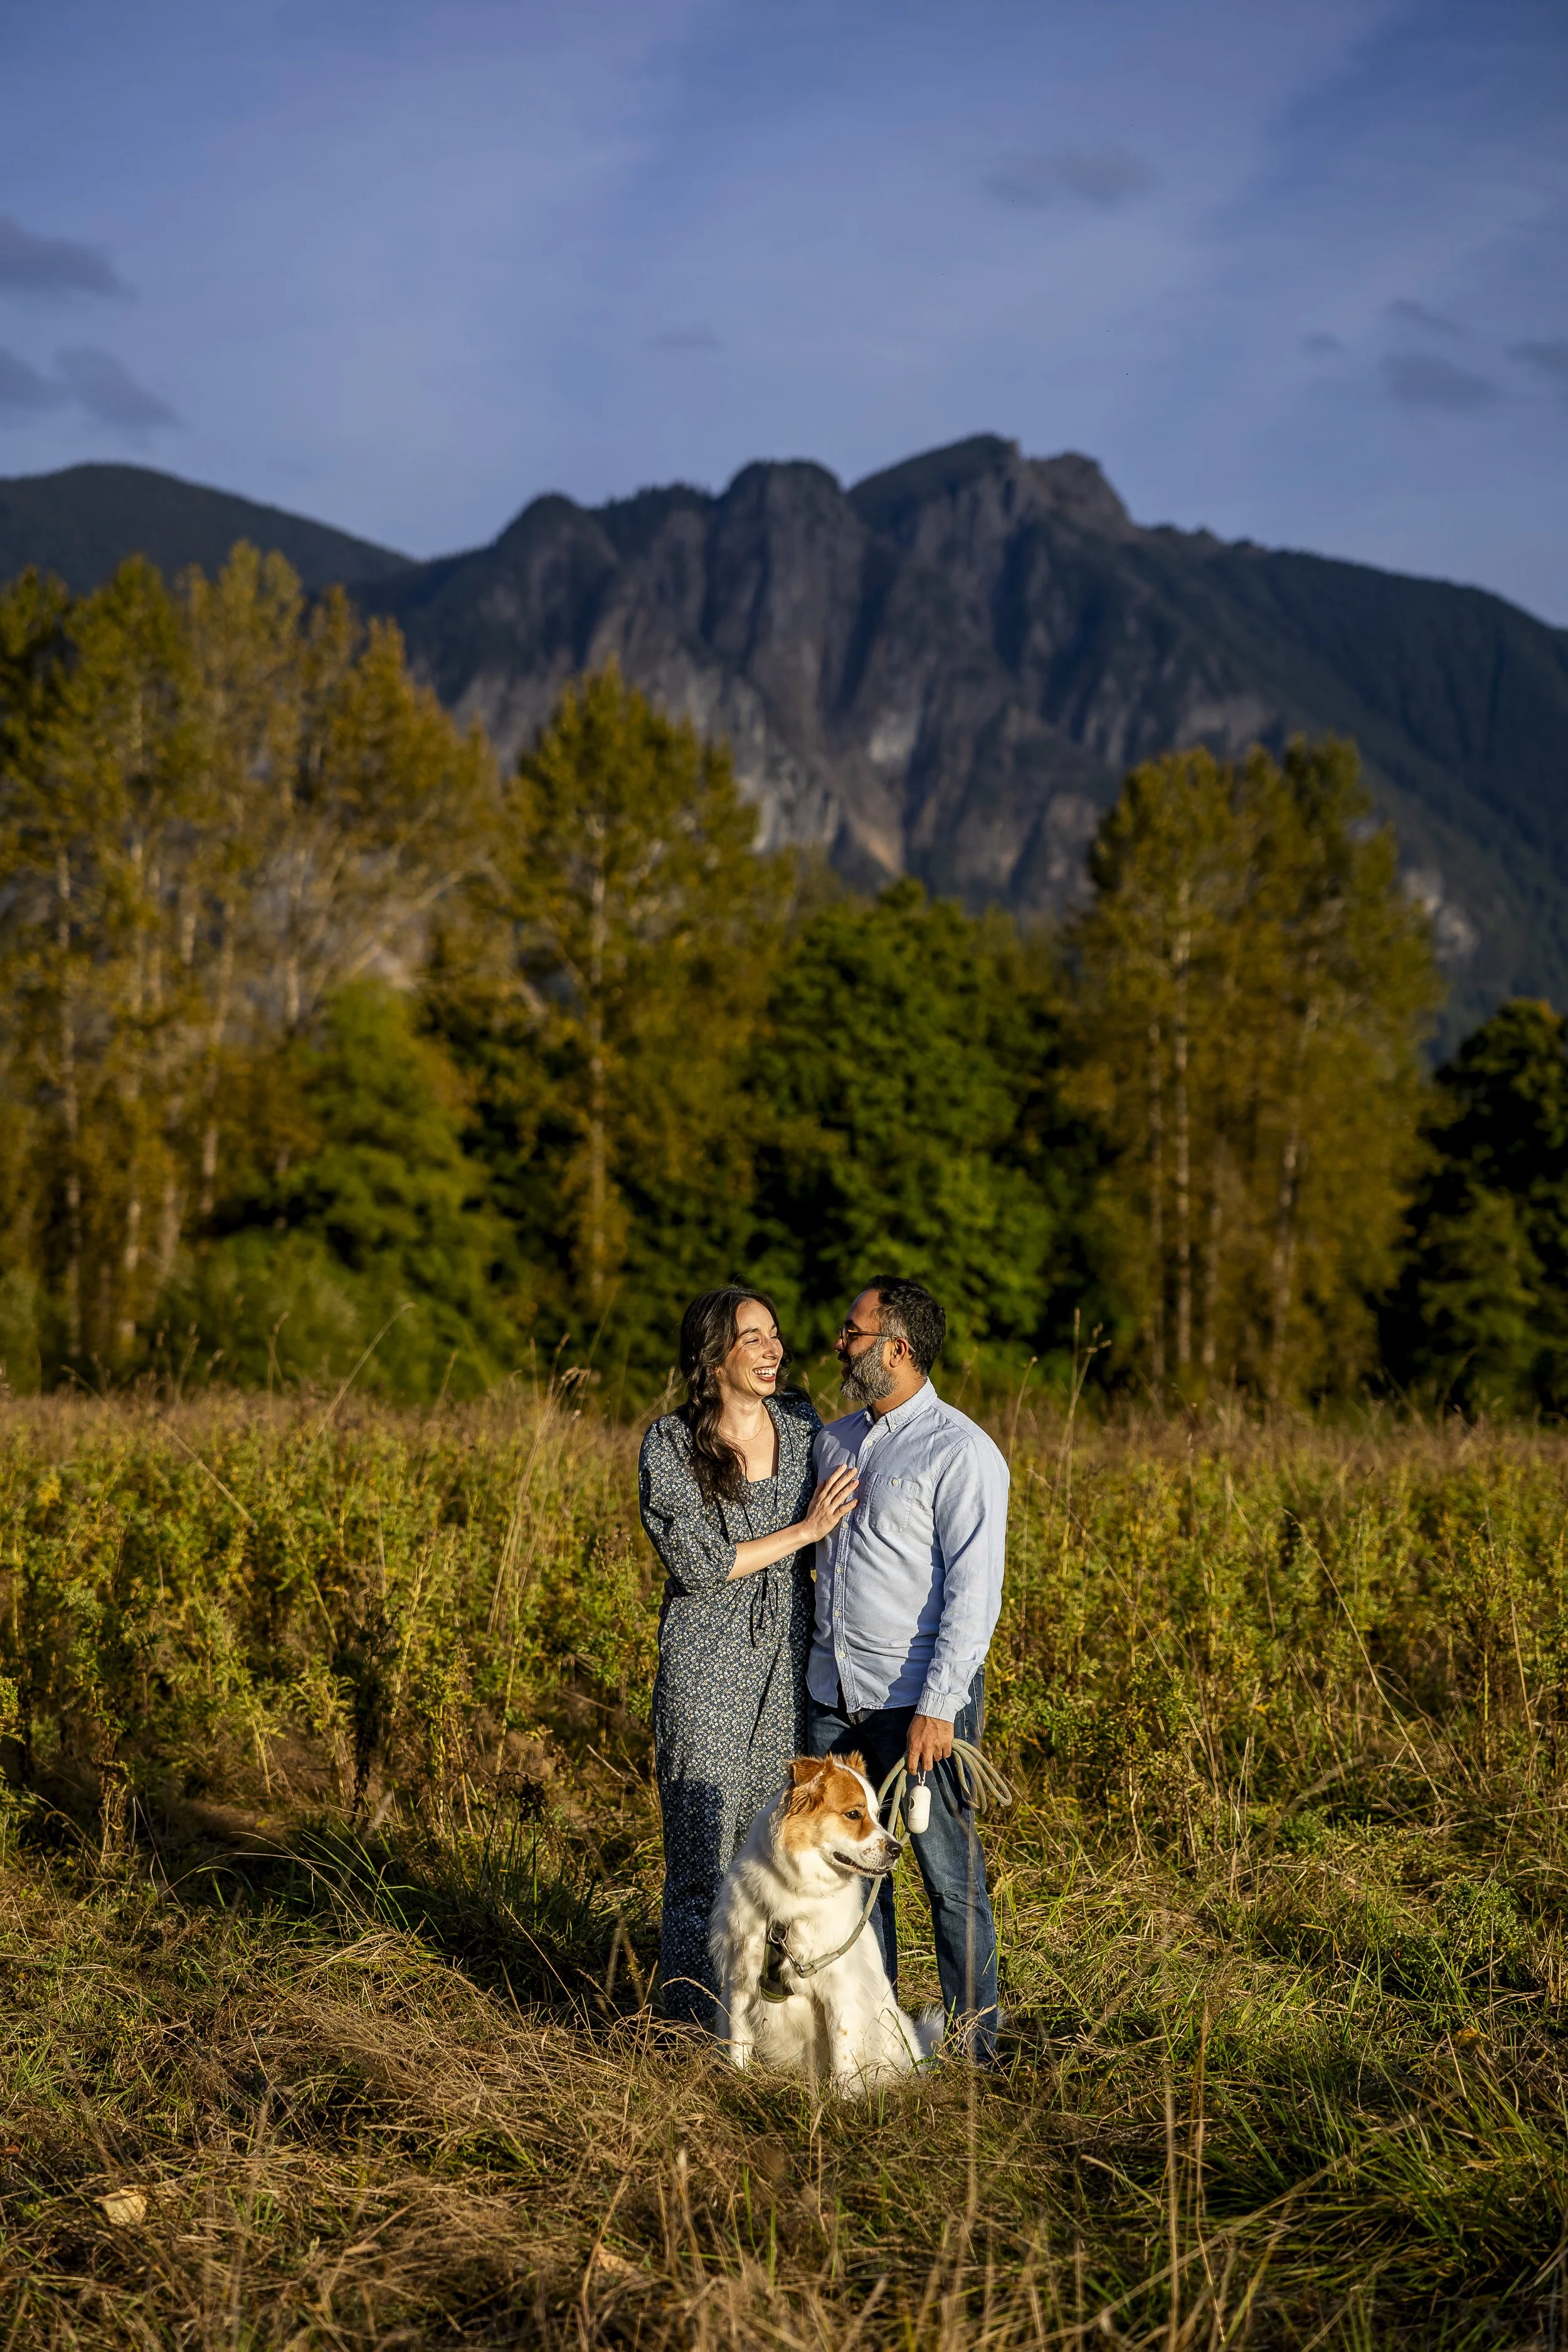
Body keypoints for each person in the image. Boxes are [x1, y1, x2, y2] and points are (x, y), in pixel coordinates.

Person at [638, 1286, 859, 2025]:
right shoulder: (670, 1444)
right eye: (753, 1338)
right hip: (706, 1657)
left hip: (789, 1655)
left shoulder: (800, 1423)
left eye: (774, 1335)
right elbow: (698, 1564)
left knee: (771, 1853)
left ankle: (758, 2032)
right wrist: (804, 1533)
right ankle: (685, 2032)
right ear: (713, 1357)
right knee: (701, 1854)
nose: (774, 1350)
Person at [806, 1274, 1008, 2062]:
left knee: (949, 1880)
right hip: (834, 1696)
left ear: (895, 1349)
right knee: (857, 1877)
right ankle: (878, 2045)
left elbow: (973, 1594)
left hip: (918, 1702)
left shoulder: (961, 1451)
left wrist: (940, 1706)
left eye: (852, 1333)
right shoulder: (832, 1440)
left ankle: (975, 2052)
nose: (839, 1344)